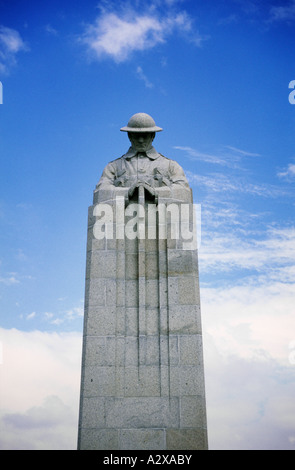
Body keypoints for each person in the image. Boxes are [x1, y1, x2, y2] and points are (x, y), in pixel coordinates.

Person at [94, 113, 191, 204]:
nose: (141, 140)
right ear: (129, 136)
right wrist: (127, 192)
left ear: (153, 136)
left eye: (145, 135)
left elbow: (184, 191)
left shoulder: (171, 166)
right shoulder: (113, 167)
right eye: (137, 136)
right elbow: (101, 192)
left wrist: (155, 192)